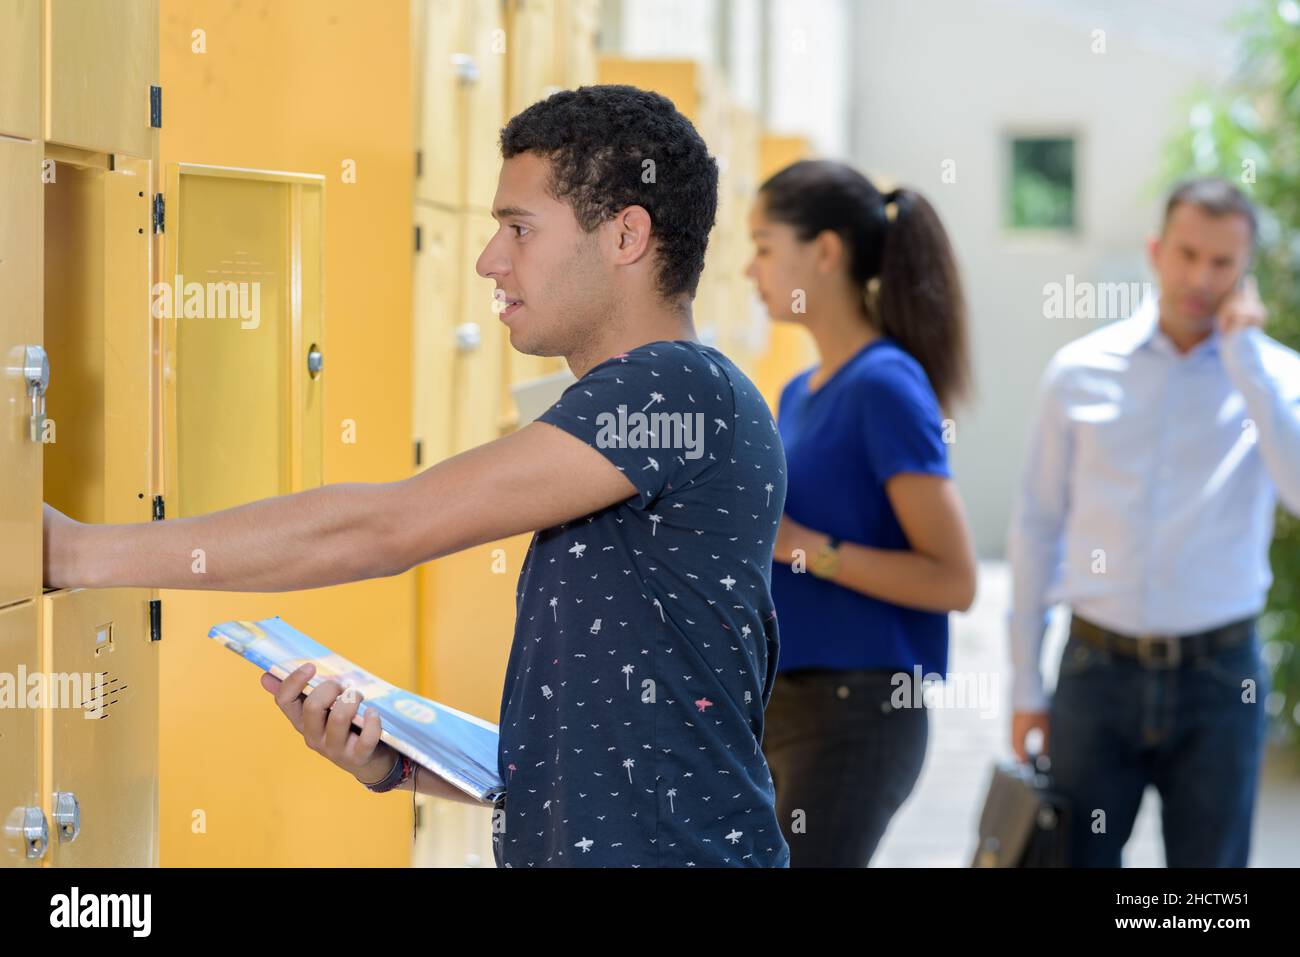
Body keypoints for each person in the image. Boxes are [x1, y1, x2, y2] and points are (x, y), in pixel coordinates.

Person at [43, 84, 791, 868]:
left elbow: (384, 526)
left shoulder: (674, 388)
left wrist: (76, 552)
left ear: (625, 234)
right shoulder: (665, 401)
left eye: (518, 228)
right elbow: (616, 741)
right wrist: (397, 756)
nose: (487, 260)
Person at [1008, 177, 1300, 867]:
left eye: (1223, 262)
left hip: (1222, 678)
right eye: (1187, 253)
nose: (1201, 277)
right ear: (1156, 249)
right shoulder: (1078, 372)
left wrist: (1247, 366)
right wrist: (1024, 682)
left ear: (1245, 270)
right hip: (1094, 671)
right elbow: (1036, 525)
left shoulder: (1276, 379)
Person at [743, 159, 977, 866]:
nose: (749, 271)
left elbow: (954, 579)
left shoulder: (884, 385)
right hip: (786, 705)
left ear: (824, 252)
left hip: (855, 715)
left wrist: (805, 546)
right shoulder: (797, 391)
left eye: (762, 246)